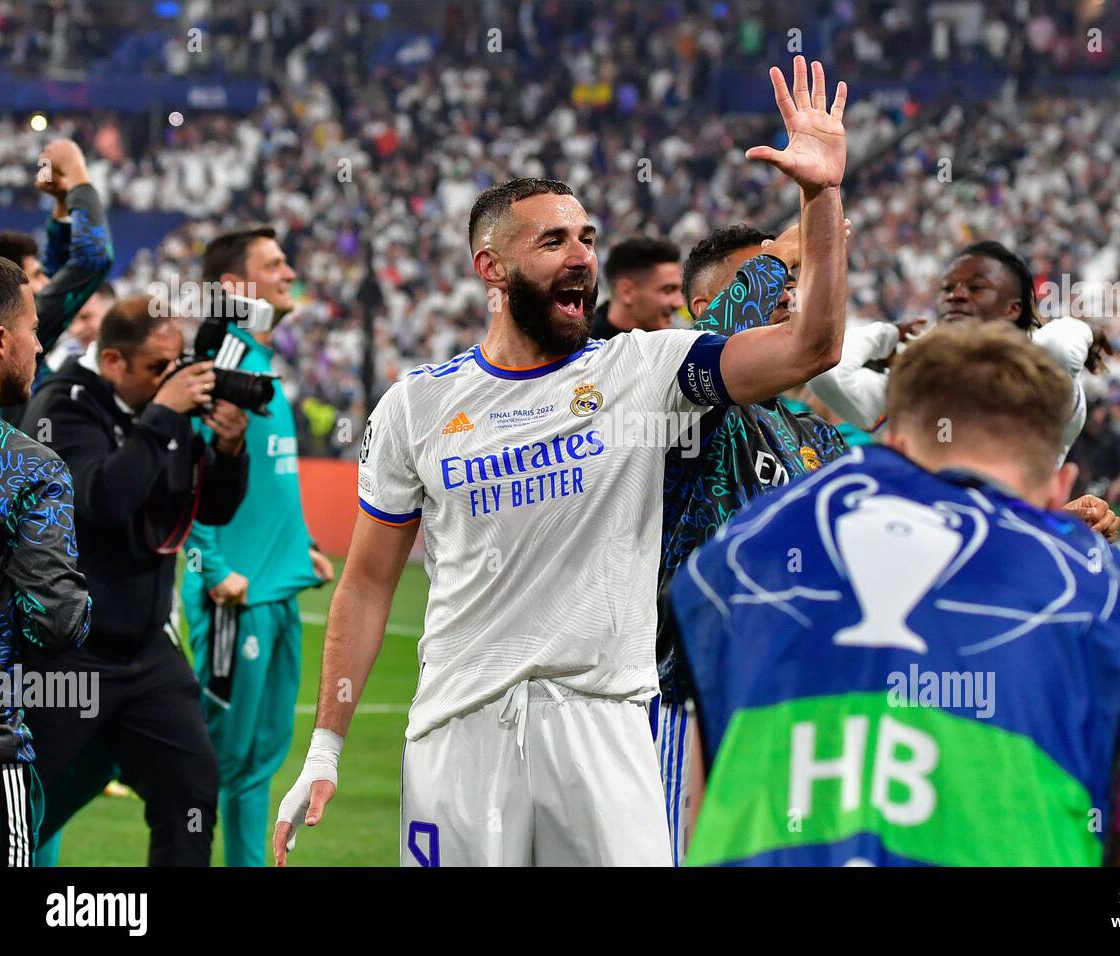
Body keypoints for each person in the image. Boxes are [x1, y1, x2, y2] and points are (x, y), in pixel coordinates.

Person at [274, 55, 850, 867]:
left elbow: (810, 345)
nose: (581, 255)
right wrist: (326, 747)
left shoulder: (642, 371)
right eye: (553, 241)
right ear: (493, 269)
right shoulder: (416, 407)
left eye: (587, 238)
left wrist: (820, 196)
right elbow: (367, 582)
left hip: (605, 725)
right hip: (457, 733)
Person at [673, 322, 1120, 866]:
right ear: (1060, 487)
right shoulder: (1094, 589)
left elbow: (706, 799)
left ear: (896, 447)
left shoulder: (744, 554)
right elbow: (1119, 827)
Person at [20, 295, 249, 866]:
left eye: (174, 366)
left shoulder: (161, 413)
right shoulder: (62, 406)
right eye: (155, 368)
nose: (167, 380)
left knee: (190, 790)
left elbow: (209, 509)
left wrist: (228, 447)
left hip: (145, 650)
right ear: (114, 361)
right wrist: (164, 416)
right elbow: (101, 500)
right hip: (67, 655)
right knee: (19, 807)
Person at [651, 221, 850, 862]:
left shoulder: (818, 437)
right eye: (770, 281)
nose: (787, 291)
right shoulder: (683, 407)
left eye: (793, 282)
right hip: (694, 706)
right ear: (707, 308)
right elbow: (713, 349)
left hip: (801, 709)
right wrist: (783, 251)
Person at [180, 228, 334, 867]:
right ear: (236, 288)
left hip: (276, 587)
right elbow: (185, 477)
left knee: (261, 759)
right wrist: (214, 570)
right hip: (232, 596)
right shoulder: (223, 363)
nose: (288, 272)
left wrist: (305, 546)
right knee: (216, 762)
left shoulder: (263, 363)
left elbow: (265, 479)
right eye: (274, 265)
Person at [810, 239, 1120, 540]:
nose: (956, 295)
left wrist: (1086, 332)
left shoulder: (1039, 388)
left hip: (1007, 561)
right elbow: (828, 372)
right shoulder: (912, 393)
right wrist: (888, 334)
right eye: (947, 288)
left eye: (976, 288)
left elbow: (1058, 344)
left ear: (1013, 309)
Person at [0, 256, 91, 867]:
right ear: (2, 340)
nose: (39, 344)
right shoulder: (27, 466)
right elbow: (57, 622)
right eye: (33, 329)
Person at [0, 139, 113, 368]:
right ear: (14, 289)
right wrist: (78, 178)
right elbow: (94, 259)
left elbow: (56, 265)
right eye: (37, 276)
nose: (48, 281)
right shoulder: (17, 331)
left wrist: (61, 200)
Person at [587, 236, 684, 338]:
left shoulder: (680, 345)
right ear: (626, 292)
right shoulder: (581, 348)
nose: (679, 303)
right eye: (668, 290)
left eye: (680, 290)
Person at [42, 281, 115, 375]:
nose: (75, 329)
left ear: (113, 310)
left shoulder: (137, 345)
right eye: (70, 321)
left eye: (85, 317)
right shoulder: (61, 359)